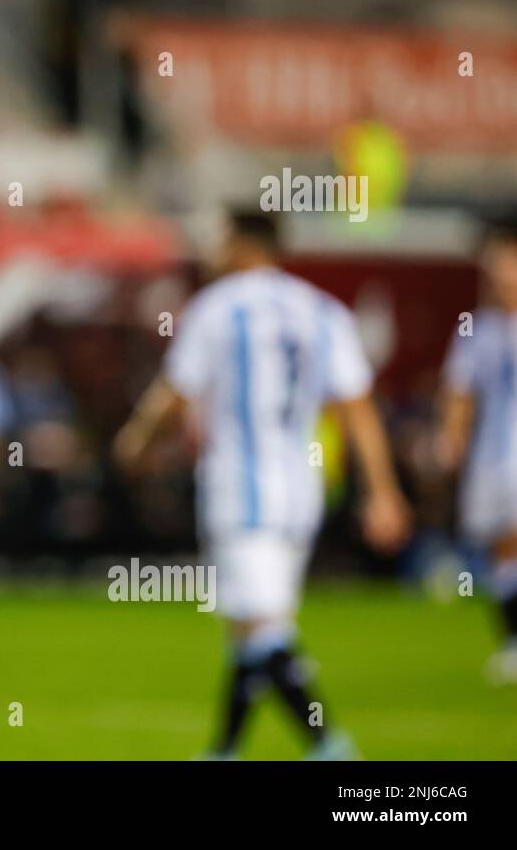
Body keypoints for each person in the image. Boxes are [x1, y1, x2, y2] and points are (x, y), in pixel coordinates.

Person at [114, 210, 411, 759]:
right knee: (253, 628)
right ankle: (224, 750)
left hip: (241, 488)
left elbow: (174, 393)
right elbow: (358, 410)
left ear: (245, 245)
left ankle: (331, 745)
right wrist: (383, 491)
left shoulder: (218, 308)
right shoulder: (322, 309)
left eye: (223, 239)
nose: (215, 250)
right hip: (302, 490)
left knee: (264, 630)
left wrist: (136, 440)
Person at [436, 223, 517, 683]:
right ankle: (511, 640)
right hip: (494, 452)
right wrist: (451, 436)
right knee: (502, 547)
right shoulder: (477, 329)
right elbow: (459, 390)